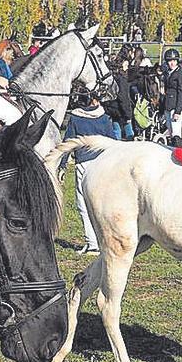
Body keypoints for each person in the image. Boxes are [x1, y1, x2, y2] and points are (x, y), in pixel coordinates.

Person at [61, 81, 113, 254]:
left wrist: (62, 165)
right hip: (103, 161)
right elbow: (112, 141)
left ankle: (92, 242)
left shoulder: (75, 118)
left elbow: (68, 142)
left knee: (83, 202)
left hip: (83, 162)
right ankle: (104, 239)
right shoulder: (104, 117)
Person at [101, 55, 134, 140]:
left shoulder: (110, 78)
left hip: (111, 109)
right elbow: (124, 98)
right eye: (126, 66)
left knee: (116, 130)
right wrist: (128, 115)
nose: (127, 68)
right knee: (129, 132)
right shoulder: (121, 79)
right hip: (120, 110)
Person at [161, 49, 182, 144]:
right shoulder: (168, 73)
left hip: (176, 105)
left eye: (174, 61)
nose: (172, 63)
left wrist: (178, 111)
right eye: (170, 61)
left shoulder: (180, 73)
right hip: (168, 105)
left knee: (176, 133)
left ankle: (178, 149)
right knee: (170, 132)